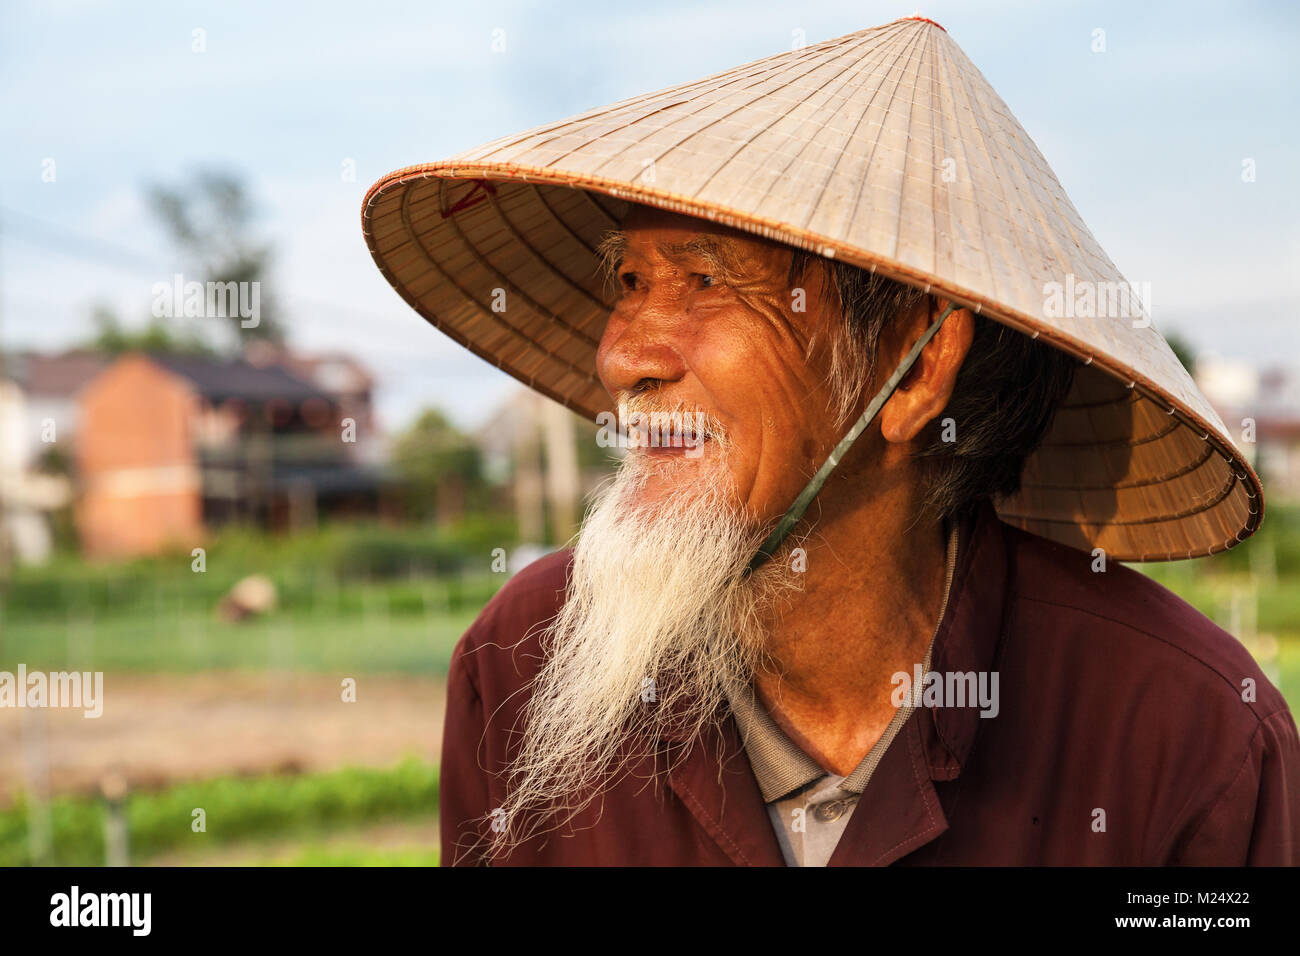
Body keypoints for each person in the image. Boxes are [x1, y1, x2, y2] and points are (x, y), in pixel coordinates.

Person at [361, 16, 1298, 865]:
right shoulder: (520, 664)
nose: (622, 358)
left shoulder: (1184, 739)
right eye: (631, 281)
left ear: (917, 362)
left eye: (705, 279)